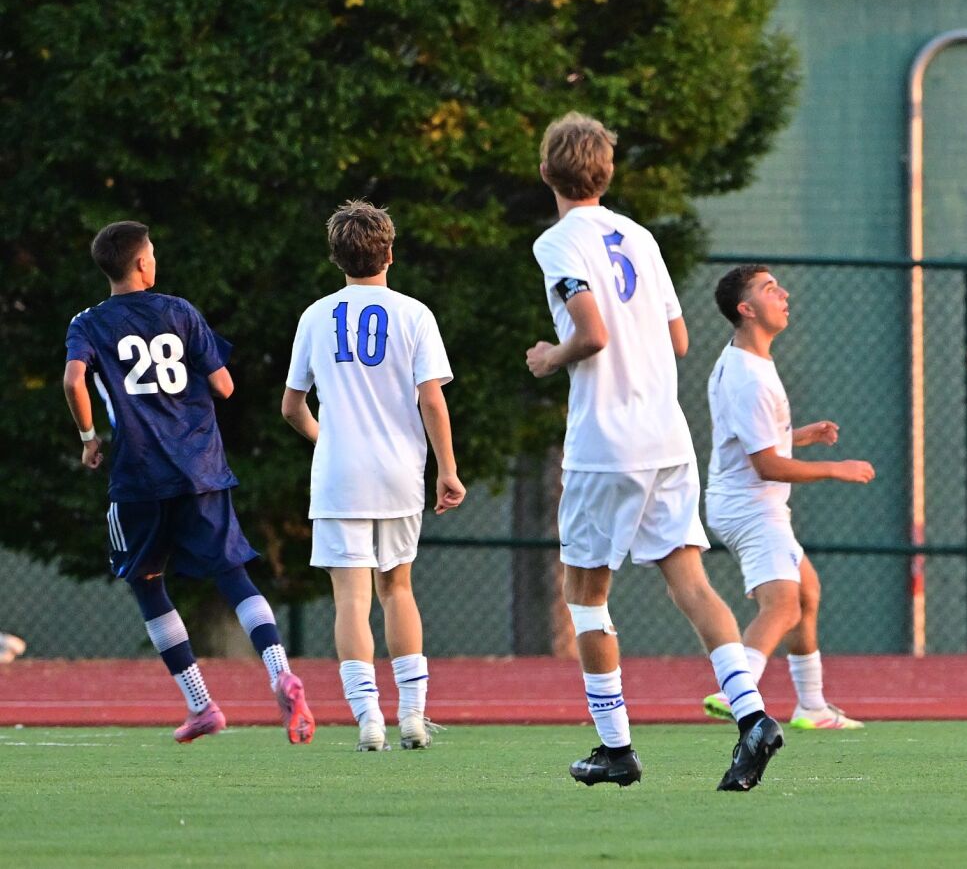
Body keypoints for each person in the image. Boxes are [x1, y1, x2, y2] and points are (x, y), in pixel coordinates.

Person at [526, 112, 781, 791]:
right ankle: (752, 715)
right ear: (606, 172)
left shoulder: (558, 242)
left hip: (606, 442)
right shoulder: (640, 236)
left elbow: (592, 331)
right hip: (667, 436)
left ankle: (616, 746)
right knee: (691, 581)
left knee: (585, 593)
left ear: (547, 172)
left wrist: (552, 357)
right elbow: (678, 338)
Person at [61, 220, 313, 745]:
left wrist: (88, 436)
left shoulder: (88, 322)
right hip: (201, 468)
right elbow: (224, 385)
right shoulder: (180, 311)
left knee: (147, 581)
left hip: (139, 473)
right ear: (143, 264)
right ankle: (279, 670)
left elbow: (72, 378)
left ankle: (201, 703)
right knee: (234, 573)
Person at [281, 201, 464, 752]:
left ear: (335, 256)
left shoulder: (315, 316)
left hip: (339, 479)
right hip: (399, 475)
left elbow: (292, 407)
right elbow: (430, 398)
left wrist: (328, 442)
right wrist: (447, 469)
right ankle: (412, 715)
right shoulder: (414, 314)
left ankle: (367, 720)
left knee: (349, 602)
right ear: (389, 252)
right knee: (398, 588)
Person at [699, 265, 875, 731]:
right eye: (769, 289)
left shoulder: (746, 361)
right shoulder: (749, 378)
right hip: (752, 507)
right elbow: (767, 465)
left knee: (807, 594)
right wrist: (836, 468)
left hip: (751, 501)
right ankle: (736, 689)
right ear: (746, 309)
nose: (784, 293)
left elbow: (755, 443)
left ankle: (812, 706)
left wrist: (799, 436)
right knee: (782, 605)